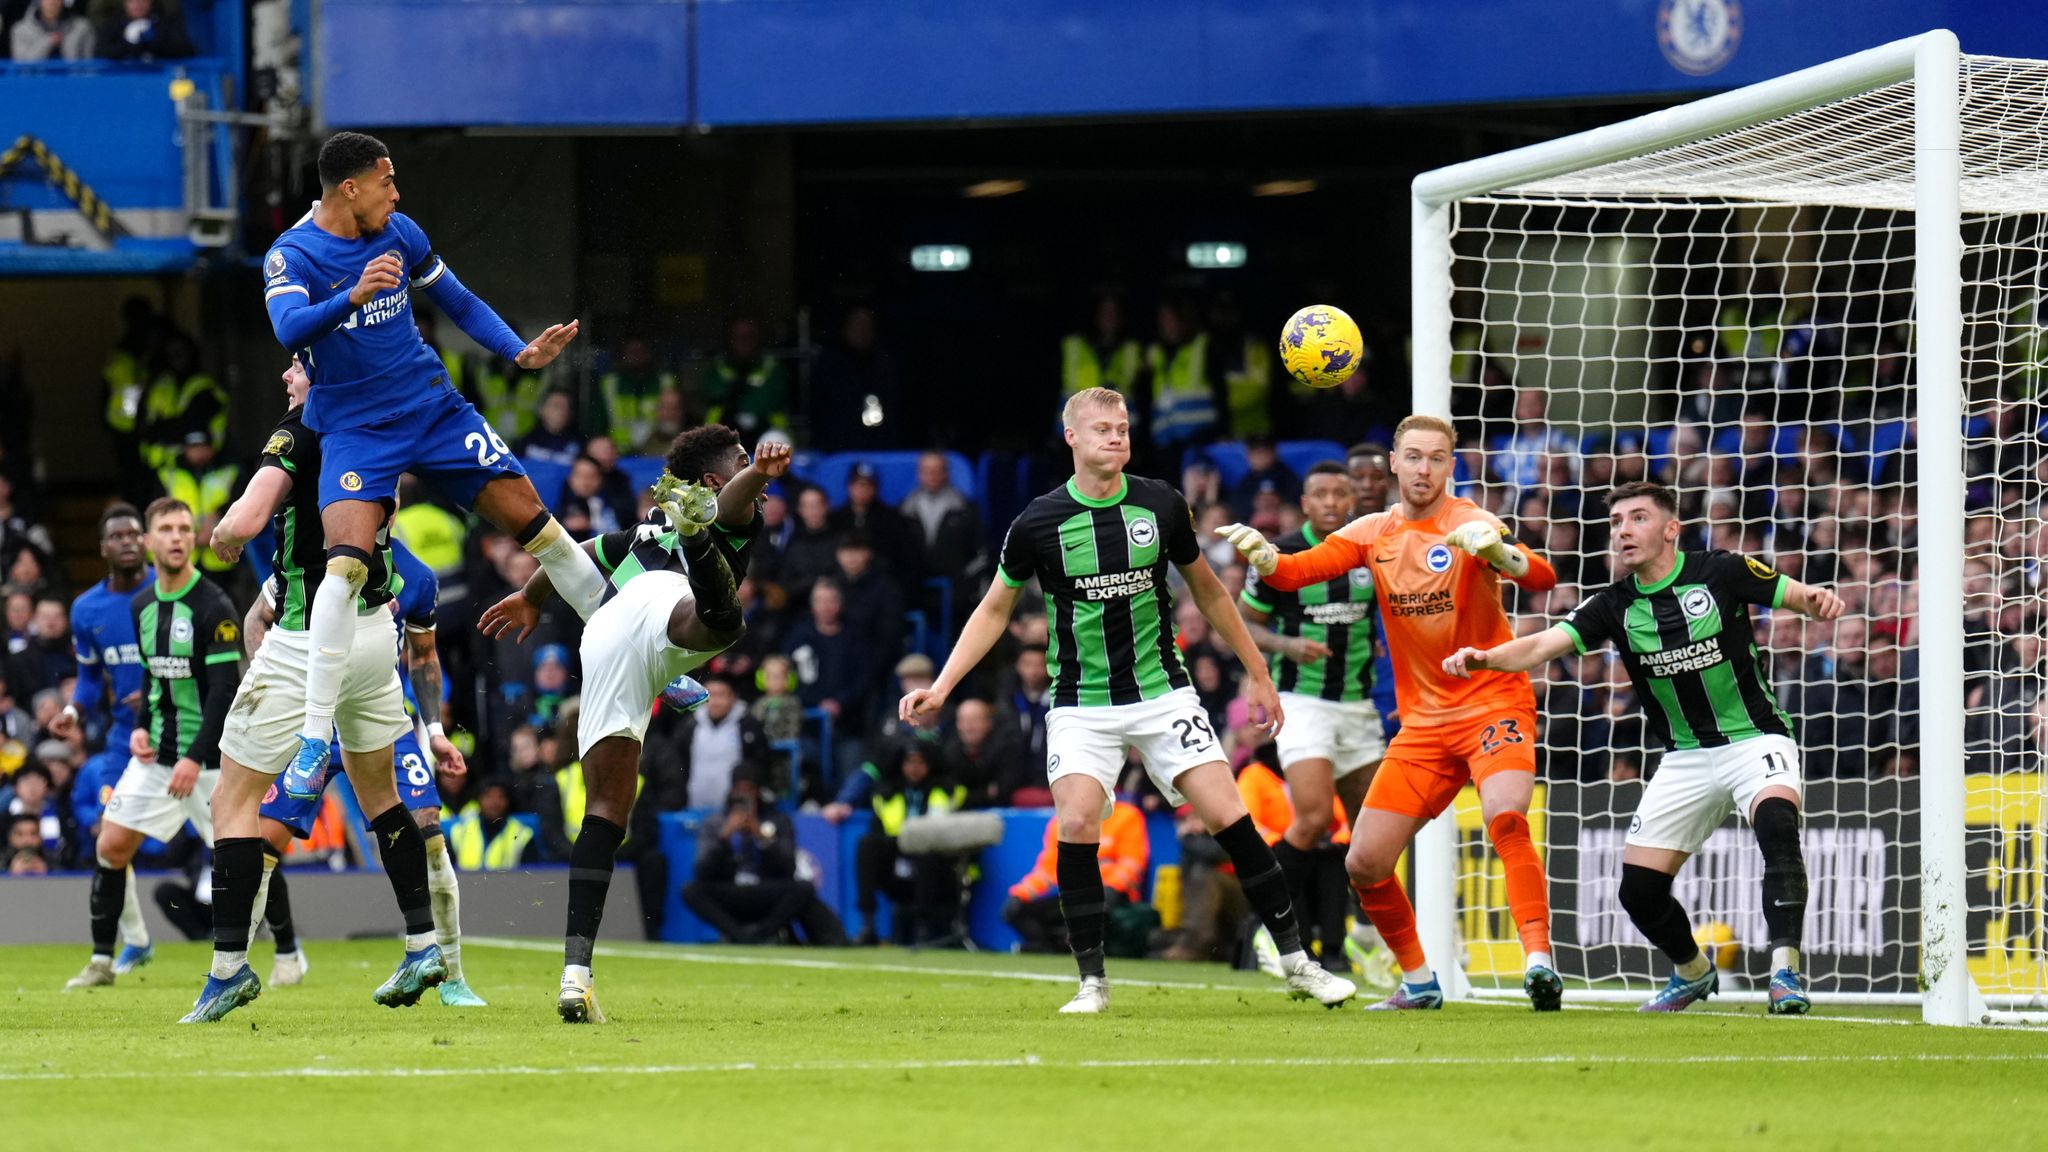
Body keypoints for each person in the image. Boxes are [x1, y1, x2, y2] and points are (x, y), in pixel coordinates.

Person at [901, 387, 1353, 1013]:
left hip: (1163, 691)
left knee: (1230, 816)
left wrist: (1258, 671)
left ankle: (1299, 962)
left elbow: (1212, 594)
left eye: (1123, 428)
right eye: (1103, 429)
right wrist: (943, 686)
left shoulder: (1160, 503)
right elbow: (995, 609)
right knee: (1079, 821)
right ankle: (1092, 981)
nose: (1116, 437)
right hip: (1080, 702)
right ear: (1073, 439)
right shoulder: (1037, 522)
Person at [259, 131, 601, 801]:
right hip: (356, 428)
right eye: (387, 182)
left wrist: (517, 352)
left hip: (434, 408)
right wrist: (352, 297)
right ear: (350, 188)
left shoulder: (400, 231)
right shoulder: (291, 254)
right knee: (345, 567)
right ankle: (310, 745)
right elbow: (289, 331)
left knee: (539, 526)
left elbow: (459, 300)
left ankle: (639, 647)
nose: (397, 193)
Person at [1444, 480, 1844, 1014]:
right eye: (1616, 522)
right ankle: (1693, 972)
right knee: (1638, 892)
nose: (1623, 531)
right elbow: (1542, 645)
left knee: (1776, 825)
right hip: (1684, 757)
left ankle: (1785, 974)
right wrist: (1485, 656)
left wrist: (1816, 601)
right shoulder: (1613, 605)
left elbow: (1796, 595)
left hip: (1755, 739)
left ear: (1670, 529)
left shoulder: (1719, 571)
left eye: (1637, 518)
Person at [1220, 412, 1561, 1011]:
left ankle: (1538, 961)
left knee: (1506, 816)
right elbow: (1302, 570)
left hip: (1490, 703)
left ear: (1450, 467)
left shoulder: (1472, 524)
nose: (1424, 468)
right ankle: (1421, 981)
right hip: (1423, 725)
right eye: (1414, 457)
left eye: (1437, 458)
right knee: (1366, 860)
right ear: (1394, 465)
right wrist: (1269, 560)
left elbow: (1542, 574)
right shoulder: (1374, 531)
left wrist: (1502, 554)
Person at [181, 356, 465, 1022]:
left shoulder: (299, 429)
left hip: (311, 638)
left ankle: (227, 969)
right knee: (380, 795)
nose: (285, 377)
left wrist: (221, 534)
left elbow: (246, 521)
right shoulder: (378, 426)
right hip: (373, 637)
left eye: (297, 367)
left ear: (325, 375)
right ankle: (422, 944)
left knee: (233, 797)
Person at [481, 424, 789, 1023]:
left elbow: (585, 554)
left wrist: (531, 598)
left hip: (605, 632)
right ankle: (693, 595)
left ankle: (576, 976)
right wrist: (756, 476)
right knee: (726, 624)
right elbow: (733, 502)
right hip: (670, 608)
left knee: (604, 812)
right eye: (740, 461)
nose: (752, 469)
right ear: (711, 482)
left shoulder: (642, 530)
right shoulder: (734, 510)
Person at [64, 498, 236, 992]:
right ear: (151, 541)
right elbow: (153, 682)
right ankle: (103, 959)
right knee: (110, 844)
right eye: (167, 528)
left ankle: (276, 952)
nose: (178, 536)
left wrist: (194, 756)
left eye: (185, 528)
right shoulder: (140, 607)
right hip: (156, 756)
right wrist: (140, 725)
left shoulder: (213, 605)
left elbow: (224, 691)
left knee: (248, 855)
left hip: (208, 760)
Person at [1237, 461, 1389, 979]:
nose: (1330, 502)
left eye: (1339, 494)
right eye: (1319, 493)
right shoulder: (1279, 555)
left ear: (1353, 501)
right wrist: (1286, 644)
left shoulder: (1370, 548)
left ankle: (1371, 936)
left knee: (1373, 835)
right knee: (1314, 817)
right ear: (1304, 503)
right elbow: (1243, 624)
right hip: (1301, 701)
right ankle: (1269, 928)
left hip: (1358, 706)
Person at [49, 505, 155, 974]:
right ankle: (134, 940)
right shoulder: (87, 609)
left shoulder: (170, 589)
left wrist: (156, 693)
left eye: (135, 533)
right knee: (110, 839)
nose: (128, 541)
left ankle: (282, 946)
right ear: (103, 548)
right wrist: (72, 710)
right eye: (118, 536)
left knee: (230, 834)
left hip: (182, 733)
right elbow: (90, 679)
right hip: (121, 743)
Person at [682, 779, 844, 945]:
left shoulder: (778, 820)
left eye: (748, 793)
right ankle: (739, 935)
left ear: (757, 793)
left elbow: (789, 868)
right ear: (731, 793)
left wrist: (762, 837)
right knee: (690, 890)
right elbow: (702, 871)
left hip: (765, 890)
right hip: (730, 890)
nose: (743, 799)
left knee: (804, 888)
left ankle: (761, 934)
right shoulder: (715, 823)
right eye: (739, 793)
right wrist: (724, 838)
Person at [1004, 800, 1148, 954]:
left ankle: (1070, 946)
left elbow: (1132, 862)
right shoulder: (1061, 821)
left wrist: (1111, 887)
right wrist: (1020, 894)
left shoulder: (1126, 815)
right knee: (1017, 911)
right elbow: (1047, 870)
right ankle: (1052, 947)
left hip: (1112, 897)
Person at [97, 0, 191, 60]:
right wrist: (129, 47)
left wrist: (153, 46)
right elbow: (100, 52)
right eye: (132, 0)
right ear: (124, 3)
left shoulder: (167, 23)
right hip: (121, 78)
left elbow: (183, 50)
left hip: (159, 77)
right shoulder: (111, 26)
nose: (138, 4)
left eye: (143, 0)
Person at [12, 0, 95, 60]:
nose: (52, 2)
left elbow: (89, 64)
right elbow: (22, 67)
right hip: (35, 83)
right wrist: (48, 41)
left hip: (73, 82)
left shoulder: (82, 27)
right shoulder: (20, 29)